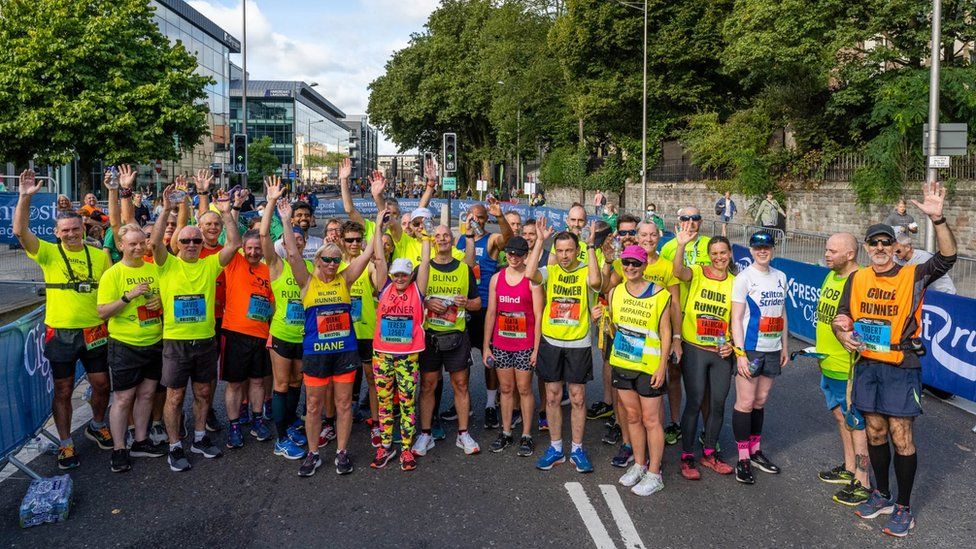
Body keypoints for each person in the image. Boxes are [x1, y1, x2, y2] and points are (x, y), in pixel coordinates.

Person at [833, 182, 957, 538]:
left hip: (901, 365)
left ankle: (903, 506)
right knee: (874, 431)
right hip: (868, 364)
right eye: (875, 243)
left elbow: (948, 258)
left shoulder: (912, 275)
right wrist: (842, 329)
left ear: (896, 247)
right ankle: (881, 494)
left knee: (901, 436)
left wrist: (938, 219)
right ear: (868, 248)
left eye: (887, 242)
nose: (881, 248)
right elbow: (842, 317)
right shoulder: (856, 279)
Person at [14, 169, 113, 470]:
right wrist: (24, 198)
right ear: (57, 233)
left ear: (83, 228)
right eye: (65, 230)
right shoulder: (48, 254)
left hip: (94, 330)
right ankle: (66, 442)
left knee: (101, 384)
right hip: (61, 333)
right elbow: (20, 232)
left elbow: (110, 289)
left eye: (75, 229)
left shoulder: (99, 255)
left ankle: (97, 424)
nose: (71, 234)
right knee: (64, 389)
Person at [287, 207, 384, 476]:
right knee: (314, 406)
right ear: (317, 260)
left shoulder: (345, 279)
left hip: (344, 353)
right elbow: (293, 254)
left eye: (335, 260)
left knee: (344, 405)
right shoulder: (306, 282)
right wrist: (285, 218)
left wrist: (378, 219)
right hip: (316, 354)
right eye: (327, 260)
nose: (331, 264)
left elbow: (366, 254)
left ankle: (341, 452)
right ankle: (313, 453)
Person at [151, 183, 240, 472]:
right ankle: (175, 446)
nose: (191, 245)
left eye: (196, 241)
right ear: (177, 243)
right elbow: (153, 244)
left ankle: (200, 437)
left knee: (203, 393)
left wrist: (226, 213)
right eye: (186, 240)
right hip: (176, 342)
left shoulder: (210, 264)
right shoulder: (166, 265)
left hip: (204, 340)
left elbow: (234, 244)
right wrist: (166, 211)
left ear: (202, 245)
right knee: (175, 396)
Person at [526, 219, 603, 473]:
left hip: (578, 343)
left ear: (577, 249)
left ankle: (577, 449)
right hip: (551, 341)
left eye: (569, 250)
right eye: (559, 251)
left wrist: (591, 246)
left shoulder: (584, 269)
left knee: (578, 398)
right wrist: (540, 241)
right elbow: (529, 274)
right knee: (552, 396)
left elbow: (595, 282)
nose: (564, 255)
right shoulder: (551, 271)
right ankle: (556, 447)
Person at [97, 222, 168, 472]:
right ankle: (119, 448)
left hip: (153, 341)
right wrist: (128, 297)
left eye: (142, 243)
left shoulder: (154, 269)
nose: (138, 247)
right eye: (133, 244)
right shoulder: (113, 274)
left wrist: (161, 302)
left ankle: (141, 441)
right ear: (121, 245)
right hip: (125, 344)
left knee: (148, 394)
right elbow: (102, 312)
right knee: (123, 398)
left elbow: (166, 300)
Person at [671, 225, 736, 481]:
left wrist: (732, 344)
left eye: (723, 253)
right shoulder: (697, 272)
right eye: (715, 253)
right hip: (696, 348)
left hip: (721, 352)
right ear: (709, 255)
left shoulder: (735, 282)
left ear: (730, 254)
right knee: (695, 401)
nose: (719, 257)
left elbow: (738, 318)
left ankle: (710, 453)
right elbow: (677, 272)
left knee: (718, 404)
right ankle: (687, 456)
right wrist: (681, 245)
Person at [608, 245, 672, 496]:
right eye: (626, 263)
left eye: (636, 263)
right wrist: (599, 318)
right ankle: (638, 463)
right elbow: (613, 327)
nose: (630, 268)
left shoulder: (660, 293)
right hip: (623, 362)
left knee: (651, 420)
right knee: (632, 417)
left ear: (645, 265)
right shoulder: (614, 292)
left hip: (649, 365)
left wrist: (662, 365)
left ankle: (655, 473)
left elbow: (665, 331)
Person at [413, 225, 482, 458]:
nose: (442, 239)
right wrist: (426, 303)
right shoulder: (423, 268)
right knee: (427, 385)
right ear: (432, 241)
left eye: (446, 236)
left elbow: (477, 303)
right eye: (438, 236)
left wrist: (465, 303)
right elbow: (411, 300)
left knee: (461, 385)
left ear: (453, 240)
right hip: (430, 336)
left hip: (457, 336)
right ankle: (425, 434)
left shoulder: (464, 269)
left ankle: (463, 434)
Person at [814, 232, 871, 506]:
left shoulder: (859, 279)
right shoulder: (831, 275)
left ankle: (863, 481)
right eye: (827, 249)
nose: (827, 254)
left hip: (849, 366)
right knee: (840, 417)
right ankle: (849, 468)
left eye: (833, 251)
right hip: (828, 363)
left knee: (856, 421)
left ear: (850, 254)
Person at [730, 232, 789, 484]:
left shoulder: (780, 277)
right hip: (751, 348)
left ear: (772, 249)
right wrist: (740, 353)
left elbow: (782, 312)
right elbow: (736, 318)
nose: (762, 251)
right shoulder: (744, 278)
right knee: (745, 402)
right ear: (751, 251)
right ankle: (742, 458)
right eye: (757, 248)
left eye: (766, 247)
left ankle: (755, 451)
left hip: (772, 347)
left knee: (761, 400)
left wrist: (784, 346)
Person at [260, 180, 310, 461]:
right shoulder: (276, 266)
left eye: (300, 240)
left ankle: (290, 425)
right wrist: (271, 204)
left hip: (304, 337)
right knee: (280, 384)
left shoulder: (312, 268)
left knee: (296, 382)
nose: (296, 243)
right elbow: (265, 235)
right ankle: (280, 439)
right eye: (292, 240)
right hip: (281, 335)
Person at [455, 199, 515, 430]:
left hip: (486, 307)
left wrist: (500, 217)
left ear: (486, 220)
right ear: (466, 217)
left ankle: (490, 404)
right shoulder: (460, 240)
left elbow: (507, 240)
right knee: (462, 361)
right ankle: (463, 403)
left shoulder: (490, 239)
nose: (477, 221)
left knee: (489, 358)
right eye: (473, 216)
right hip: (464, 306)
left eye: (481, 217)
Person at [482, 236, 543, 456]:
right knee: (506, 389)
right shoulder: (497, 279)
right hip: (502, 343)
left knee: (524, 389)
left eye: (518, 254)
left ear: (526, 255)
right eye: (509, 253)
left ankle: (526, 434)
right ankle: (506, 432)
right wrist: (487, 346)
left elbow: (538, 315)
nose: (513, 257)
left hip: (524, 344)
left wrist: (536, 349)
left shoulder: (532, 280)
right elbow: (491, 313)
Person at [372, 249, 430, 471]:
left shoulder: (417, 290)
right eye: (396, 274)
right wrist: (378, 224)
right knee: (385, 401)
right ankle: (386, 446)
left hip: (407, 356)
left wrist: (426, 239)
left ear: (410, 276)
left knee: (406, 403)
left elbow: (425, 263)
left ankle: (406, 447)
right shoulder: (384, 287)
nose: (399, 278)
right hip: (382, 354)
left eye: (404, 275)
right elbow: (378, 259)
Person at [220, 223, 275, 450]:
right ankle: (234, 426)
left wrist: (267, 310)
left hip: (260, 333)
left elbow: (272, 303)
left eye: (258, 248)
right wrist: (228, 211)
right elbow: (232, 239)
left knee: (258, 380)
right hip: (235, 331)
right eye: (249, 248)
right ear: (243, 248)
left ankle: (257, 419)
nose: (253, 252)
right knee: (234, 383)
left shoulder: (269, 270)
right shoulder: (235, 262)